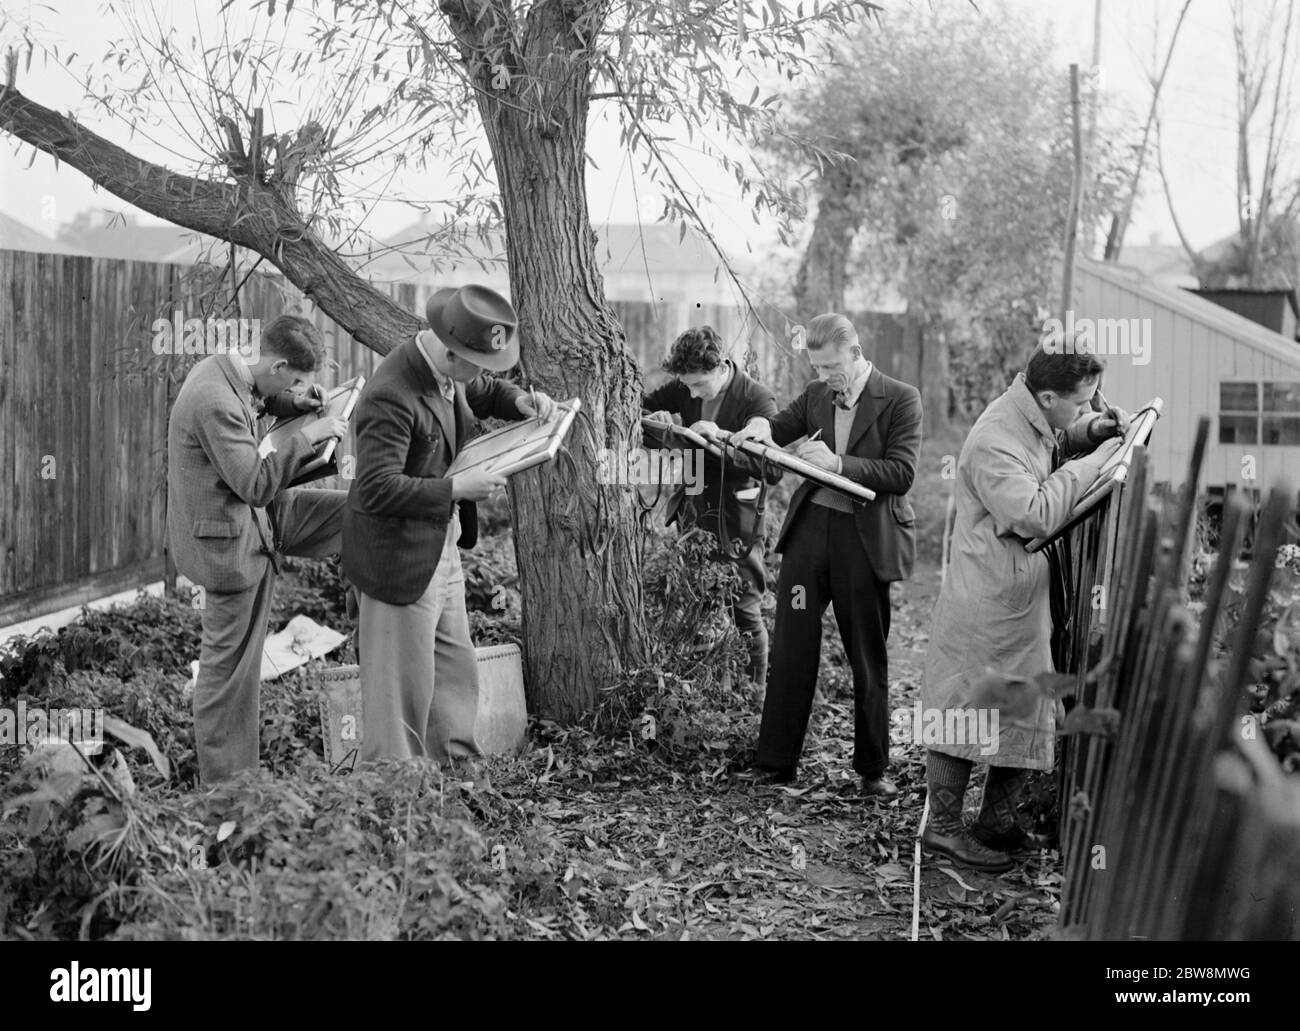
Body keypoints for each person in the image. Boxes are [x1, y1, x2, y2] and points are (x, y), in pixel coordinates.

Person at [920, 348, 1129, 872]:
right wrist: (1095, 464)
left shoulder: (1031, 414)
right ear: (1049, 397)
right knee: (966, 706)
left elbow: (1059, 436)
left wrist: (1094, 430)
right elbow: (1034, 514)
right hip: (988, 599)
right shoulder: (994, 440)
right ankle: (943, 831)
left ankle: (995, 823)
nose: (1084, 409)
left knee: (1025, 707)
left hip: (1015, 595)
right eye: (1081, 403)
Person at [343, 284, 555, 763]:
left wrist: (519, 401)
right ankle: (395, 805)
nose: (482, 375)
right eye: (478, 363)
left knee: (453, 673)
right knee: (400, 695)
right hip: (397, 561)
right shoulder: (390, 395)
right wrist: (456, 490)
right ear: (453, 352)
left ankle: (456, 780)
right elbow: (376, 488)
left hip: (442, 546)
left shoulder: (451, 367)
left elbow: (482, 391)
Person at [731, 313, 922, 795]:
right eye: (816, 367)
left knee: (866, 653)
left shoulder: (901, 398)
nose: (822, 377)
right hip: (810, 535)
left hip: (864, 540)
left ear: (855, 354)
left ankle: (873, 769)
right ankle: (776, 761)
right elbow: (776, 427)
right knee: (793, 646)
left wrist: (838, 463)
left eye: (831, 367)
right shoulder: (817, 394)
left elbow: (901, 474)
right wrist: (757, 428)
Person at [167, 315, 349, 784]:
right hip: (229, 548)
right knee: (227, 678)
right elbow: (255, 483)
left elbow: (261, 400)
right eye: (296, 380)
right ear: (280, 362)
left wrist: (296, 401)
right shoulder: (214, 402)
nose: (297, 388)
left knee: (356, 514)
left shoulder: (226, 371)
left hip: (251, 527)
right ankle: (227, 792)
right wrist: (308, 436)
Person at [642, 326, 783, 686]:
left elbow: (773, 468)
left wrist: (721, 441)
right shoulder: (683, 385)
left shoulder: (757, 399)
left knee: (745, 609)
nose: (691, 393)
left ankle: (755, 696)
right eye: (687, 385)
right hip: (694, 511)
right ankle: (706, 690)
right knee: (695, 604)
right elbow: (640, 410)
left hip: (739, 519)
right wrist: (659, 424)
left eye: (699, 385)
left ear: (721, 367)